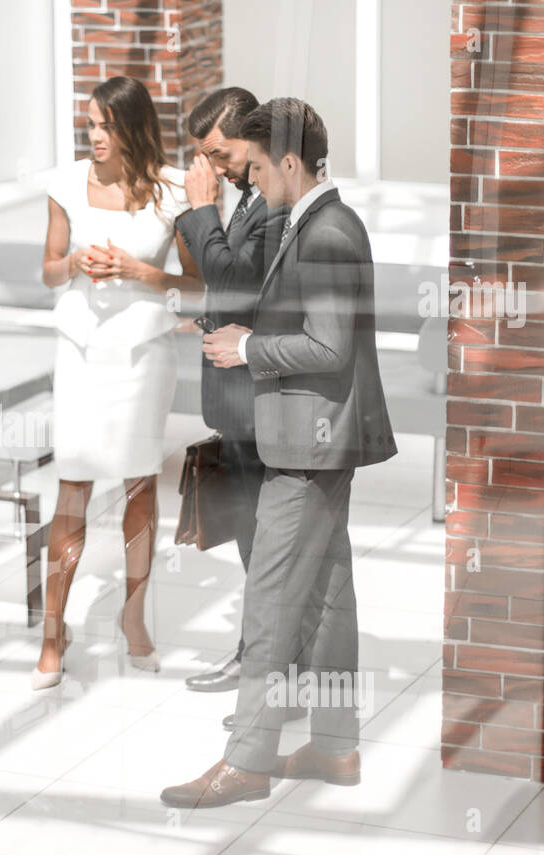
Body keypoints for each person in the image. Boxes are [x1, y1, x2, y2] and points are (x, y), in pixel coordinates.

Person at [161, 98, 397, 808]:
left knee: (269, 601)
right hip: (317, 439)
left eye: (259, 169)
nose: (254, 184)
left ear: (290, 162)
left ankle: (249, 761)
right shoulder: (318, 223)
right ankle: (334, 746)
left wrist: (248, 348)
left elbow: (328, 346)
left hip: (310, 443)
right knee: (326, 599)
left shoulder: (326, 231)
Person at [35, 75, 204, 690]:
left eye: (106, 125)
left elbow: (199, 286)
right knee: (72, 487)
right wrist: (75, 263)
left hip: (143, 356)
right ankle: (52, 632)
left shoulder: (174, 191)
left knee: (139, 487)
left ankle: (133, 615)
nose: (95, 135)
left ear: (133, 126)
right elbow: (50, 271)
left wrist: (140, 271)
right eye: (91, 123)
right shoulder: (64, 184)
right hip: (80, 353)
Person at [176, 88, 287, 703]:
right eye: (205, 157)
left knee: (264, 544)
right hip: (234, 397)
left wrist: (202, 210)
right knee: (250, 538)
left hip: (258, 401)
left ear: (252, 137)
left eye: (220, 153)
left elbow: (238, 279)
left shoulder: (270, 203)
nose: (214, 168)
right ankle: (258, 656)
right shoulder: (244, 196)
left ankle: (266, 663)